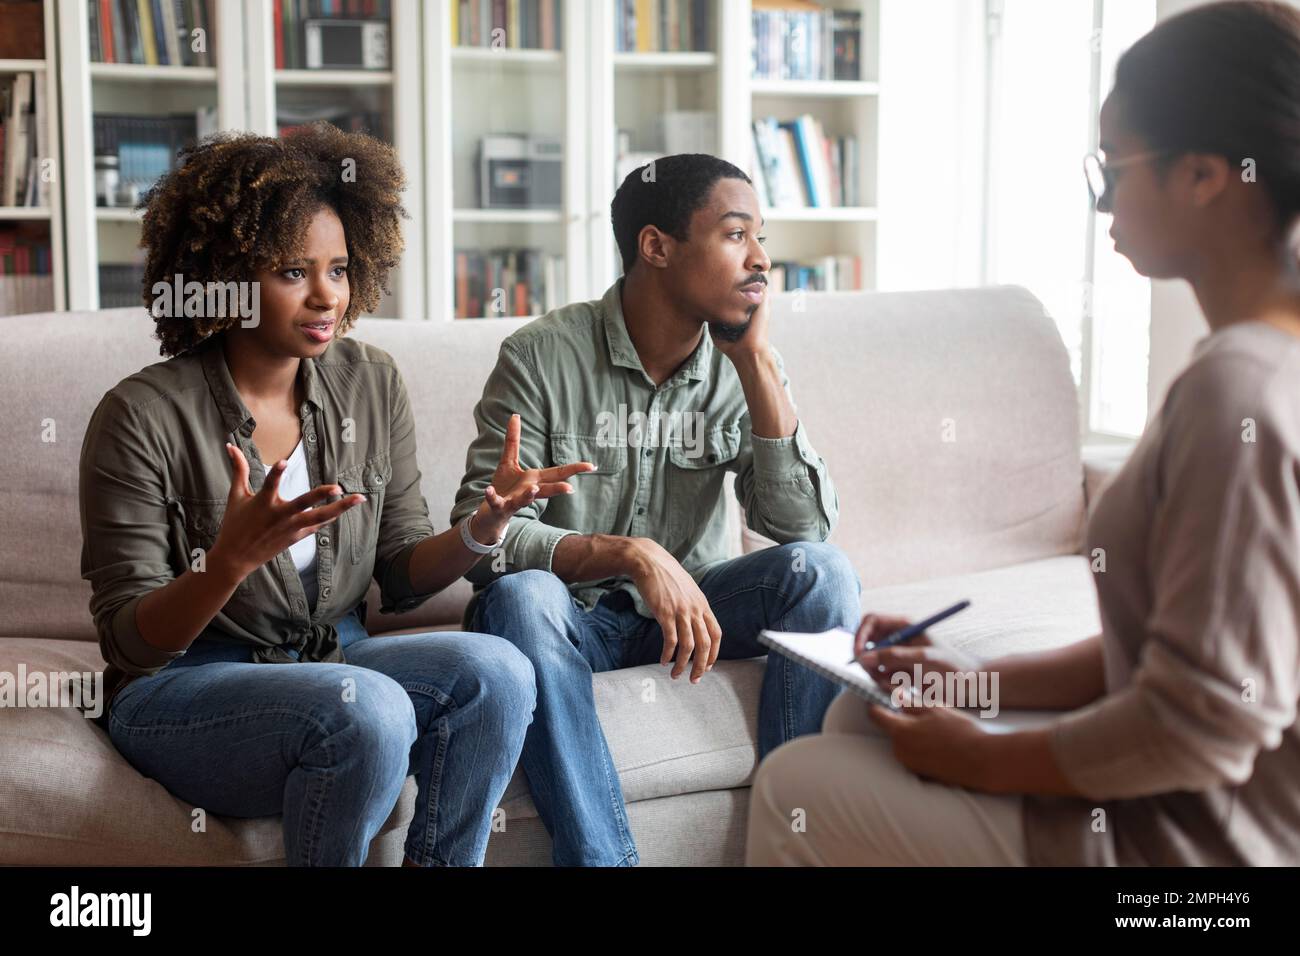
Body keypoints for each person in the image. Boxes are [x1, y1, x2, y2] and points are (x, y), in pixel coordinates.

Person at [745, 0, 1300, 867]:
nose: (1103, 198)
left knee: (796, 783)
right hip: (1192, 801)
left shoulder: (1242, 391)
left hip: (1196, 856)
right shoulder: (1256, 361)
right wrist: (964, 677)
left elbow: (1202, 727)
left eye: (1115, 167)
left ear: (1204, 174)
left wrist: (981, 756)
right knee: (866, 710)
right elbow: (1161, 654)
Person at [81, 124, 589, 866]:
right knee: (371, 710)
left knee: (500, 670)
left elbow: (400, 573)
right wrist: (224, 564)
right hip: (185, 689)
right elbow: (129, 641)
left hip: (332, 660)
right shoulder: (140, 415)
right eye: (293, 271)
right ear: (223, 272)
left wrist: (482, 528)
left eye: (341, 269)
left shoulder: (371, 381)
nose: (327, 295)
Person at [451, 153, 862, 866]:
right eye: (736, 235)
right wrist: (630, 553)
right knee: (521, 596)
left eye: (761, 236)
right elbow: (484, 537)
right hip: (565, 620)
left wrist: (758, 367)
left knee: (822, 573)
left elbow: (802, 531)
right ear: (657, 246)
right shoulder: (542, 356)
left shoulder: (743, 366)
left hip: (688, 622)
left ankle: (798, 849)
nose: (761, 258)